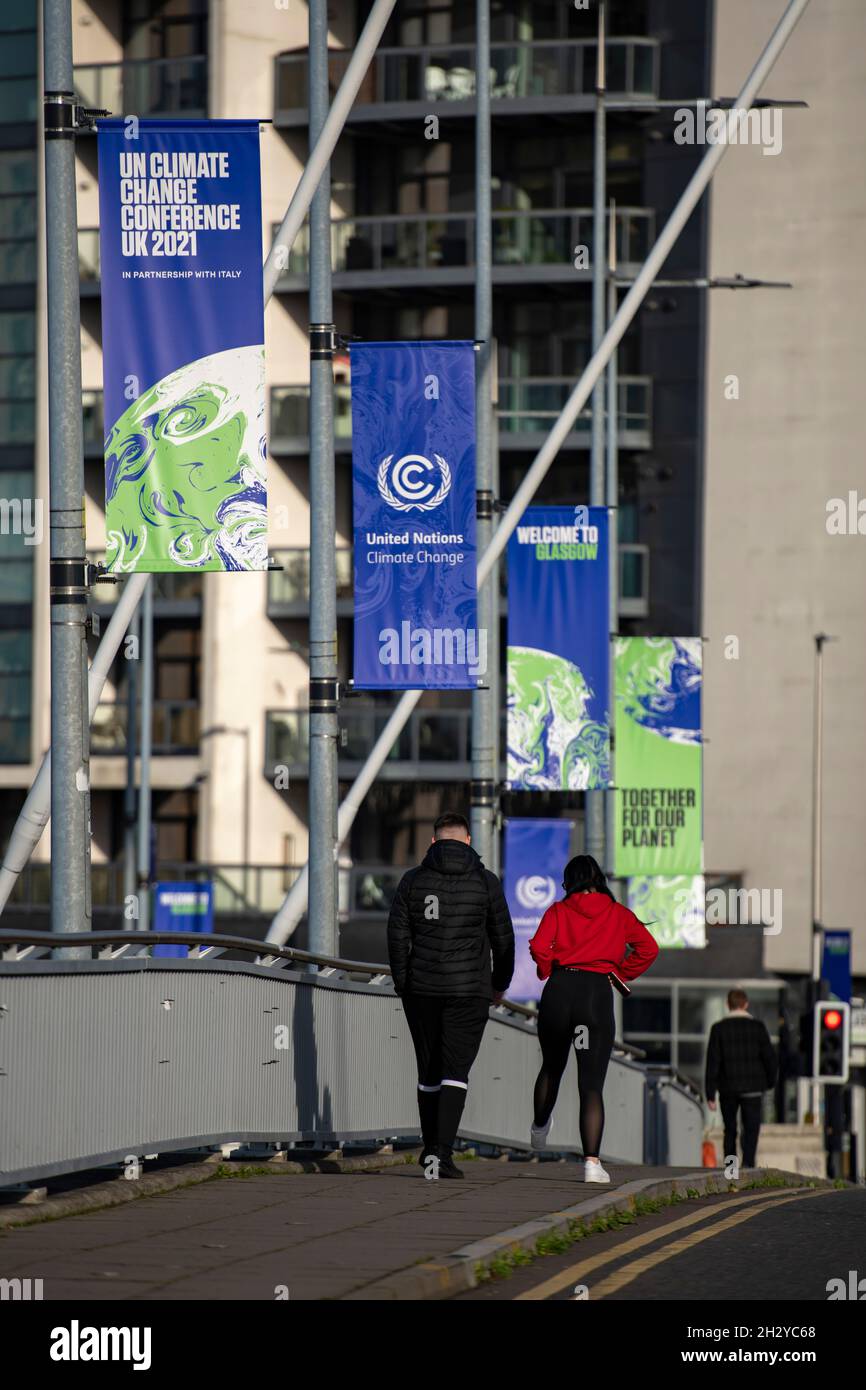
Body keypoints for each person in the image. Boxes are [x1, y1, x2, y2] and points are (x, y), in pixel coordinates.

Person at [387, 811, 514, 1179]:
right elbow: (504, 940)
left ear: (433, 842)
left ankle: (429, 1149)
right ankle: (441, 1155)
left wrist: (403, 982)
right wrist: (499, 983)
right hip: (469, 991)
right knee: (455, 1072)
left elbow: (397, 935)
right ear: (469, 842)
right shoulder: (486, 883)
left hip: (421, 989)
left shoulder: (413, 881)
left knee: (427, 1071)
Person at [528, 854, 659, 1183]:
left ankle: (540, 1126)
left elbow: (539, 947)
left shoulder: (558, 910)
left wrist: (547, 969)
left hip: (560, 991)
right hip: (596, 996)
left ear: (569, 882)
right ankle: (591, 1163)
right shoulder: (618, 914)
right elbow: (648, 949)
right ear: (599, 879)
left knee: (551, 1067)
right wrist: (618, 975)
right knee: (591, 1085)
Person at [705, 988, 778, 1170]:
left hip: (728, 1088)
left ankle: (731, 1169)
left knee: (730, 1130)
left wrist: (710, 1093)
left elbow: (713, 1062)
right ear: (746, 1004)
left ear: (728, 1005)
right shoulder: (758, 1028)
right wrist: (769, 1082)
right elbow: (770, 1058)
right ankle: (748, 1165)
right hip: (753, 1087)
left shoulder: (718, 1029)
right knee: (751, 1129)